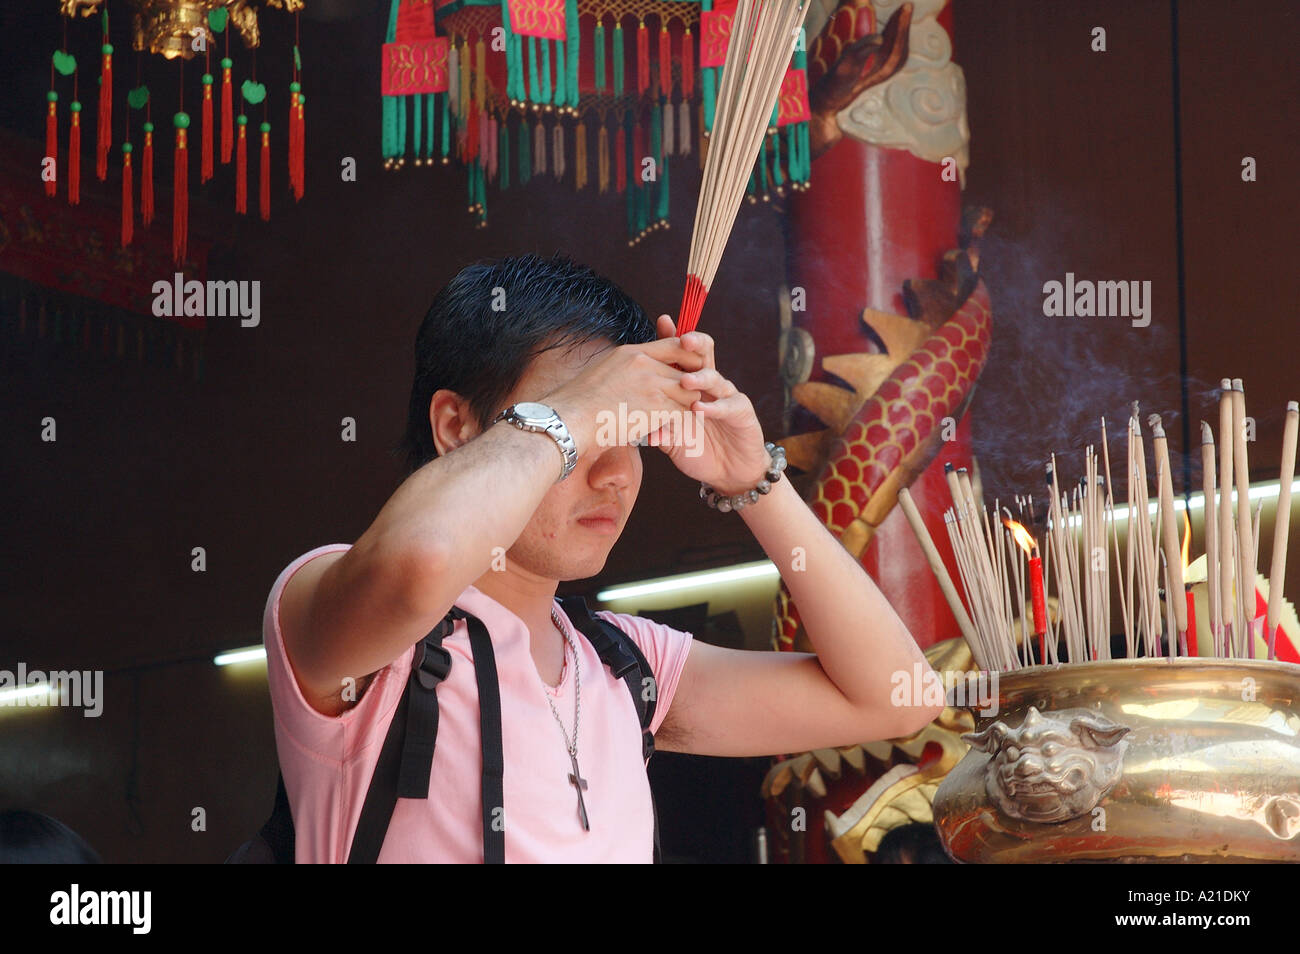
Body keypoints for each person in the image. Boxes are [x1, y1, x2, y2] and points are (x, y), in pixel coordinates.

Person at [265, 253, 945, 862]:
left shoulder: (624, 663)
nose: (617, 472)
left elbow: (897, 699)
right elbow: (423, 562)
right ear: (457, 427)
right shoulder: (355, 631)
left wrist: (750, 483)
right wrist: (583, 409)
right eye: (583, 424)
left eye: (634, 430)